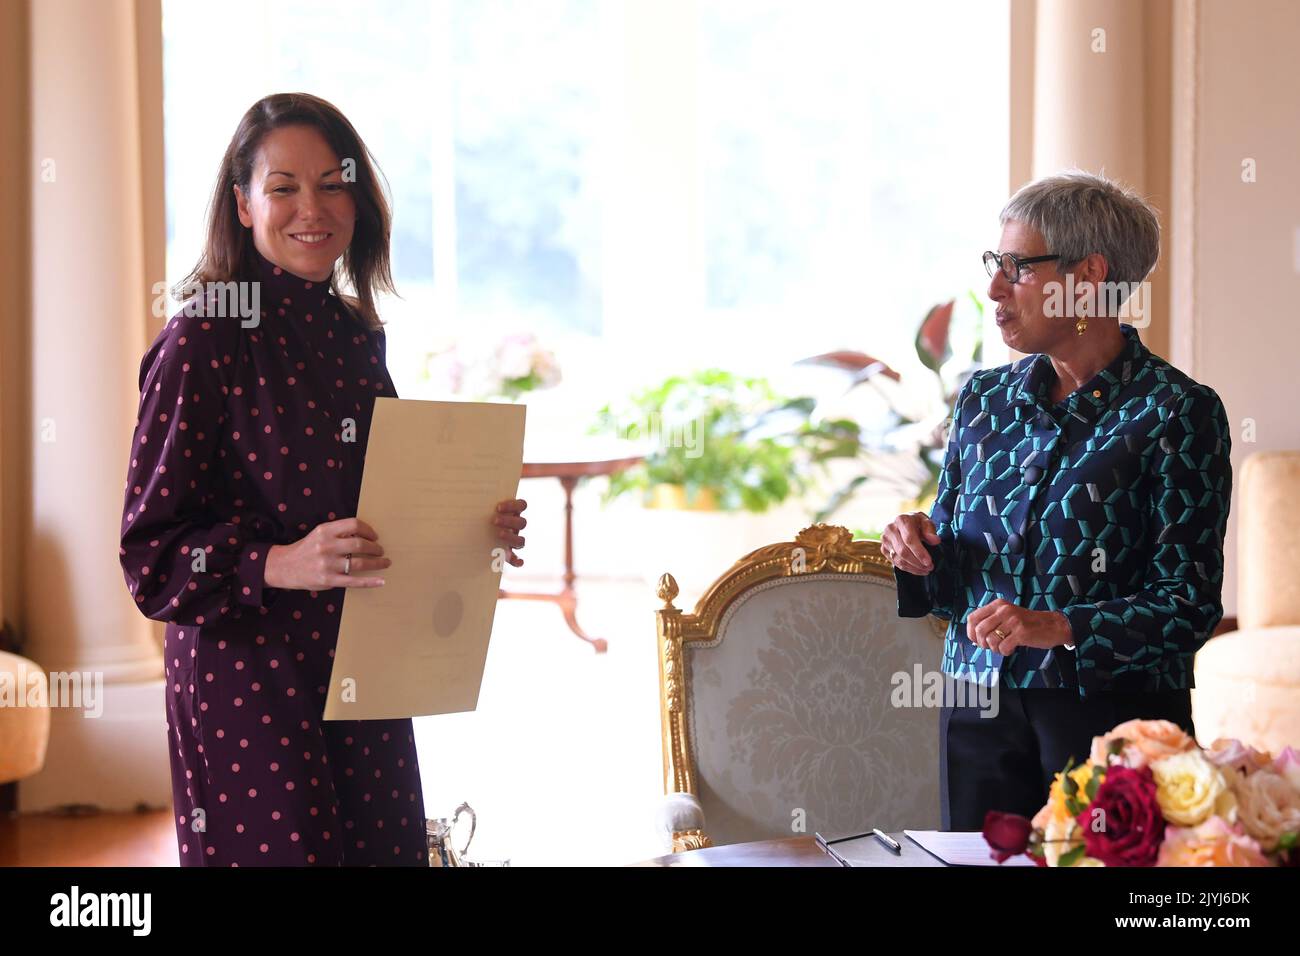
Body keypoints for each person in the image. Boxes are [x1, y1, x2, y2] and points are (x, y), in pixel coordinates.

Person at [119, 92, 528, 865]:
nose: (312, 207)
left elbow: (387, 508)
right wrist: (279, 563)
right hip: (249, 684)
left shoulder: (353, 337)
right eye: (283, 188)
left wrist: (475, 526)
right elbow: (149, 557)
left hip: (362, 672)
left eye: (333, 182)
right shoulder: (201, 340)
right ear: (243, 206)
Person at [879, 171, 1232, 830]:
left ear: (1089, 274)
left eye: (1017, 267)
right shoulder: (985, 399)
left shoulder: (1177, 412)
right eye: (995, 264)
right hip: (977, 704)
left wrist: (1061, 626)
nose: (994, 289)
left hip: (1110, 721)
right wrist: (918, 549)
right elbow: (954, 574)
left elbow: (1189, 604)